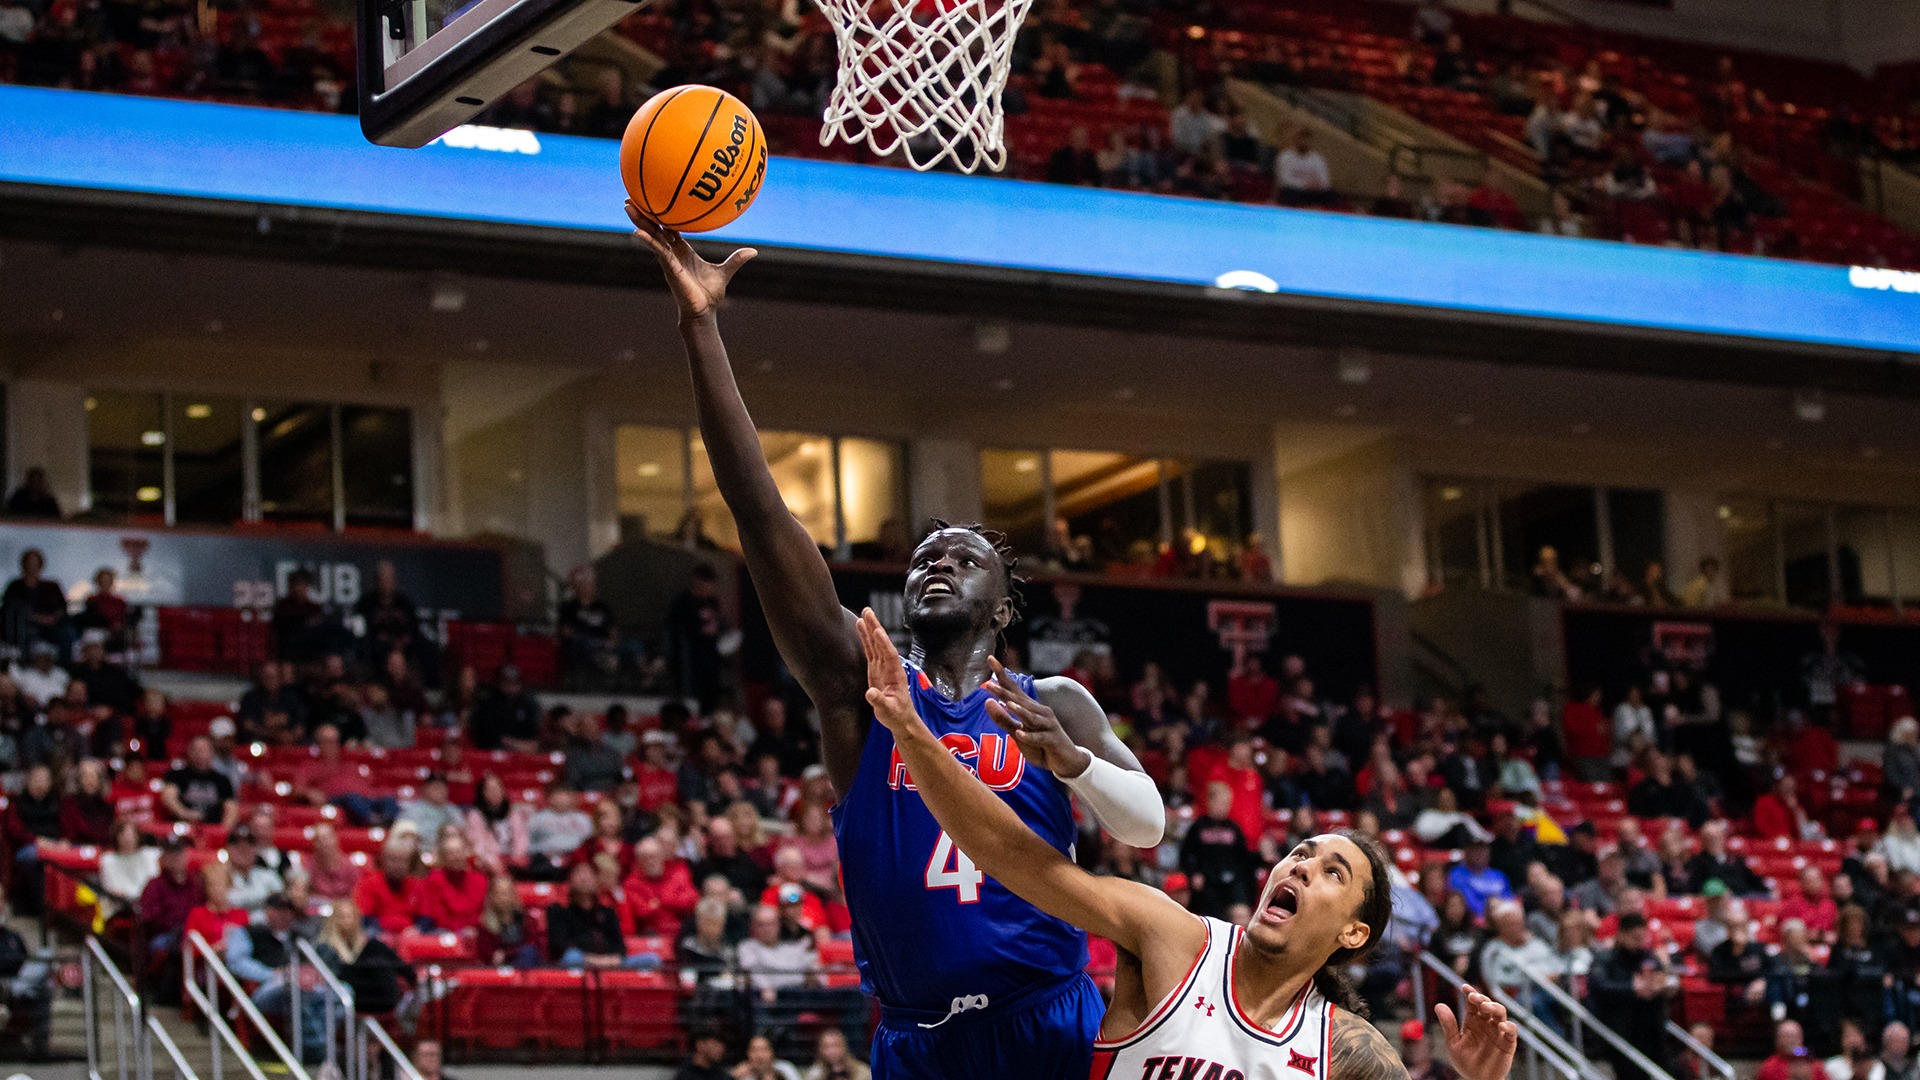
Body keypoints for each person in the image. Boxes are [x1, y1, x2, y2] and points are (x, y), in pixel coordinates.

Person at [637, 212, 1170, 1080]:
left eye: (965, 558)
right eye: (924, 556)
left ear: (1003, 609)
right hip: (917, 1040)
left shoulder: (1054, 700)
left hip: (1050, 1019)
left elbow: (1146, 830)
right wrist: (701, 325)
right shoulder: (862, 687)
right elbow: (762, 513)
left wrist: (1071, 761)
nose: (937, 562)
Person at [855, 609, 1517, 1080]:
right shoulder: (1177, 940)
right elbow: (1017, 859)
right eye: (1301, 853)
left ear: (1353, 932)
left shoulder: (1348, 1052)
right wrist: (914, 735)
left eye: (1332, 872)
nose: (1301, 864)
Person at [1587, 913, 1678, 1080]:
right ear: (1621, 934)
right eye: (1635, 937)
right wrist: (1631, 989)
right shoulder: (1604, 959)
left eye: (1642, 937)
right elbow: (1600, 987)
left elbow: (1663, 979)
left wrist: (1661, 987)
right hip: (1620, 1032)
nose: (1639, 942)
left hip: (1652, 1032)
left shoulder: (1648, 957)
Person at [547, 861, 627, 967]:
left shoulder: (608, 912)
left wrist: (608, 960)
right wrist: (595, 960)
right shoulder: (559, 910)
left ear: (597, 880)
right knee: (572, 957)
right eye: (579, 873)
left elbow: (620, 948)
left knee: (650, 959)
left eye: (589, 874)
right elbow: (559, 946)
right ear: (570, 879)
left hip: (609, 962)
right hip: (576, 963)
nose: (584, 878)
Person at [162, 735, 239, 827]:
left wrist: (222, 831)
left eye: (204, 750)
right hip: (184, 826)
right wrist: (185, 814)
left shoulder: (222, 780)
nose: (200, 755)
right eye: (196, 750)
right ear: (189, 752)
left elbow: (231, 807)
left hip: (213, 827)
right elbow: (168, 798)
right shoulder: (176, 775)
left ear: (212, 753)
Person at [1448, 839, 1513, 918]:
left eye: (1483, 849)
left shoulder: (1499, 875)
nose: (1480, 853)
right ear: (1467, 852)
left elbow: (1509, 899)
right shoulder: (1457, 874)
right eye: (1475, 850)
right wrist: (1489, 911)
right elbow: (1467, 902)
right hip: (1474, 920)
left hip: (1502, 917)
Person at [805, 1029, 872, 1080]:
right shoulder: (815, 1074)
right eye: (826, 1046)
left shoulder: (862, 1071)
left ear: (844, 1047)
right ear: (820, 1050)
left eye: (836, 1045)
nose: (832, 1050)